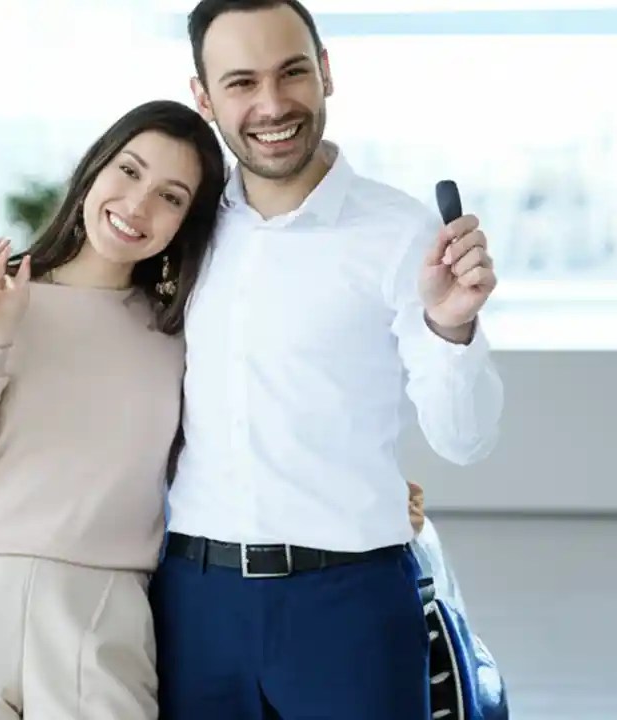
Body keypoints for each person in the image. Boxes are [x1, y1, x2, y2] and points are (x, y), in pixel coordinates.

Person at [149, 1, 505, 719]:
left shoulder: (401, 234)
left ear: (327, 74)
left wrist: (450, 326)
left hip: (349, 606)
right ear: (204, 97)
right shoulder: (181, 230)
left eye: (292, 73)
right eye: (242, 82)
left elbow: (465, 441)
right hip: (194, 604)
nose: (273, 104)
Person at [0, 99, 226, 720]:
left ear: (188, 221)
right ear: (95, 168)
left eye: (170, 196)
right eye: (128, 171)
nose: (137, 205)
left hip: (100, 619)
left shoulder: (181, 336)